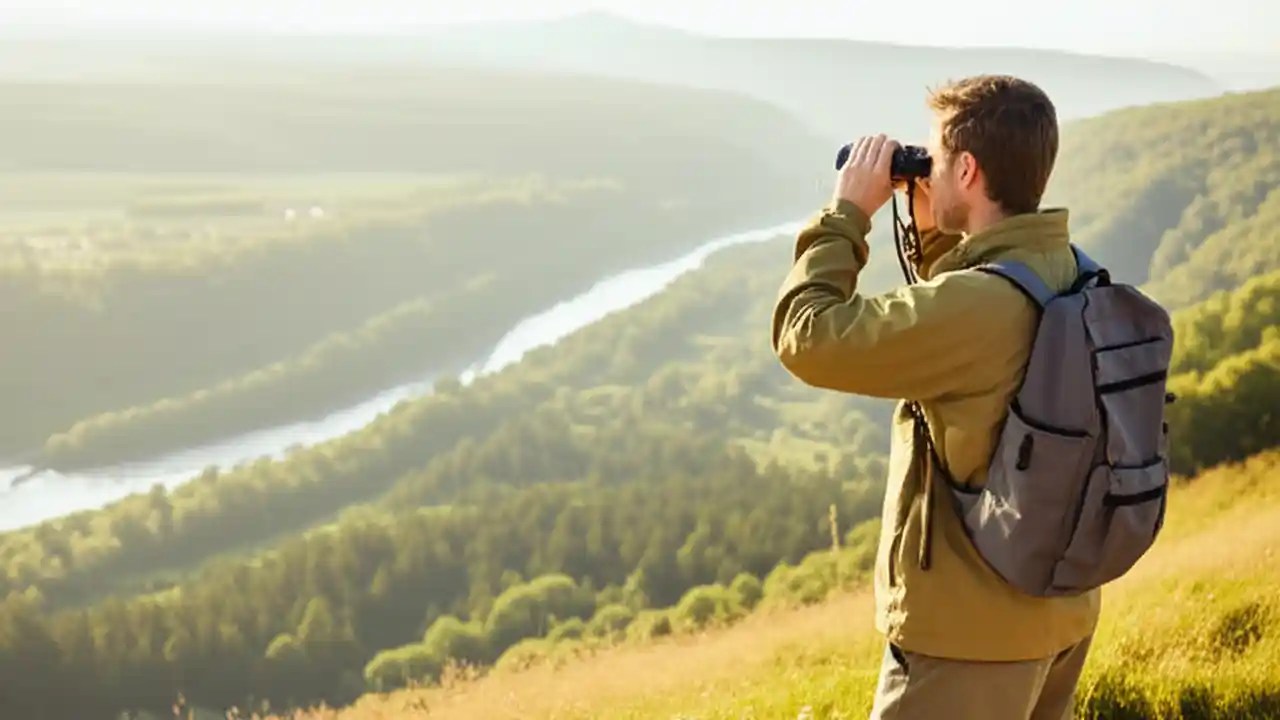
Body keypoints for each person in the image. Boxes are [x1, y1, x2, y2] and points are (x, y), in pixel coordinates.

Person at [770, 75, 1098, 719]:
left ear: (968, 169)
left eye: (937, 159)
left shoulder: (975, 307)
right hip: (1058, 614)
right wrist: (940, 232)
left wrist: (847, 216)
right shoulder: (1070, 270)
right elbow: (978, 323)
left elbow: (805, 335)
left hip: (967, 640)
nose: (927, 170)